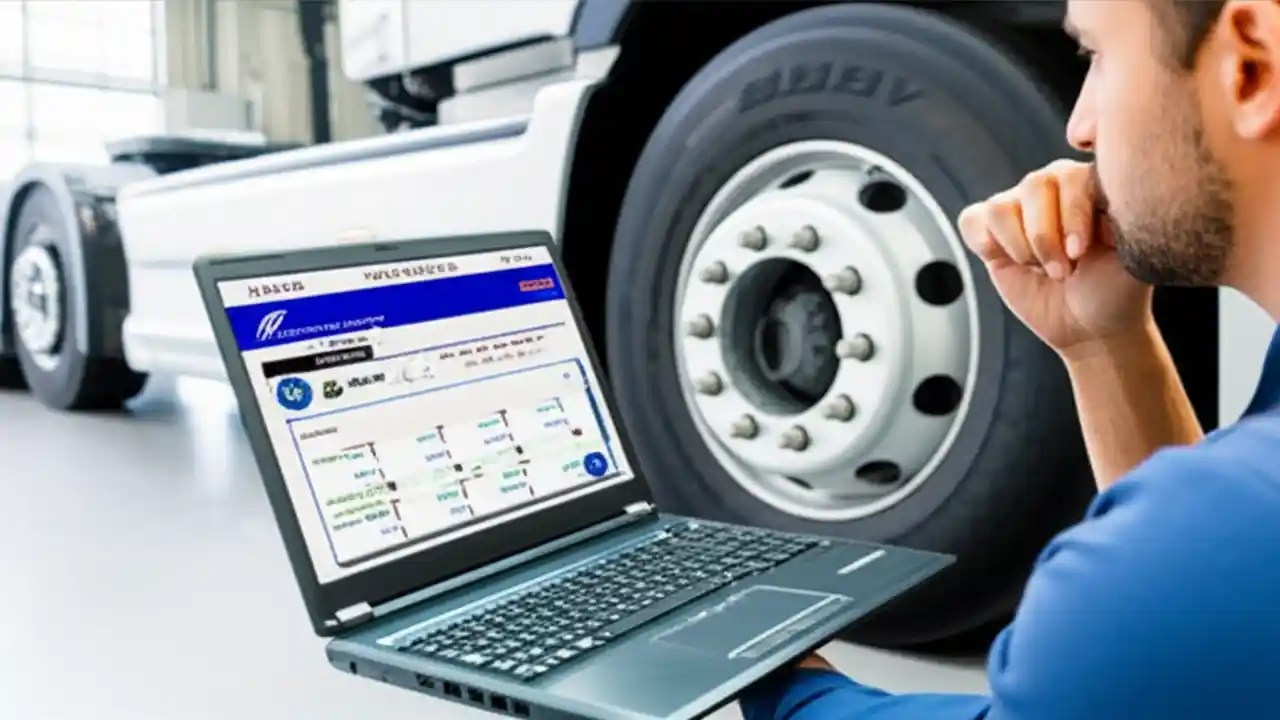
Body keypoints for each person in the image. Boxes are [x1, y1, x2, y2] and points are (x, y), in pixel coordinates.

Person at [741, 0, 1280, 718]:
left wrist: (774, 672)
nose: (1079, 127)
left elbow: (1183, 583)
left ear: (1252, 69)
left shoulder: (1210, 541)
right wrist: (1102, 342)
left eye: (1096, 57)